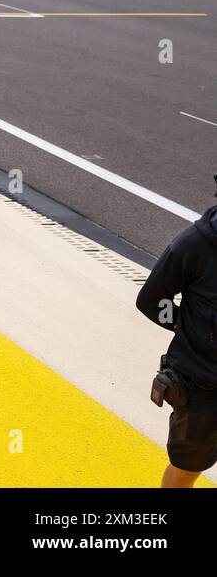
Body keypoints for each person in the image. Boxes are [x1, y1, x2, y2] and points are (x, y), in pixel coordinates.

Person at [135, 179, 217, 488]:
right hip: (201, 384)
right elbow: (152, 300)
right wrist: (185, 323)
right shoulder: (193, 245)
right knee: (186, 468)